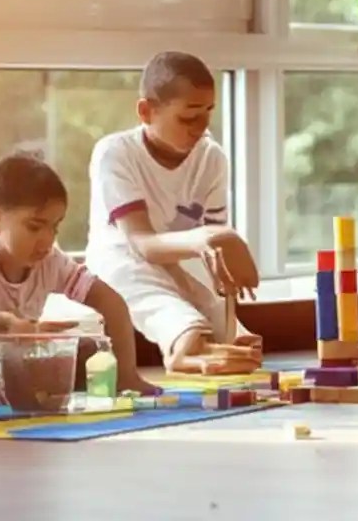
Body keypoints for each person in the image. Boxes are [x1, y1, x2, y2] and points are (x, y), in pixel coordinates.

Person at [85, 51, 261, 375]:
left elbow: (209, 251)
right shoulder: (115, 153)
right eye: (188, 117)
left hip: (180, 264)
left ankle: (199, 341)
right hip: (123, 261)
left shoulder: (212, 158)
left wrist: (224, 293)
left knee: (241, 340)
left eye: (208, 113)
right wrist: (214, 237)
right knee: (187, 327)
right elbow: (143, 244)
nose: (201, 127)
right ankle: (180, 350)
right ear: (146, 111)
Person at [0, 152, 159, 396]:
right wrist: (8, 324)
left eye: (55, 227)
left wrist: (127, 375)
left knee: (89, 350)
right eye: (34, 226)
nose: (47, 239)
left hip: (18, 368)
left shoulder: (50, 261)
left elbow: (110, 301)